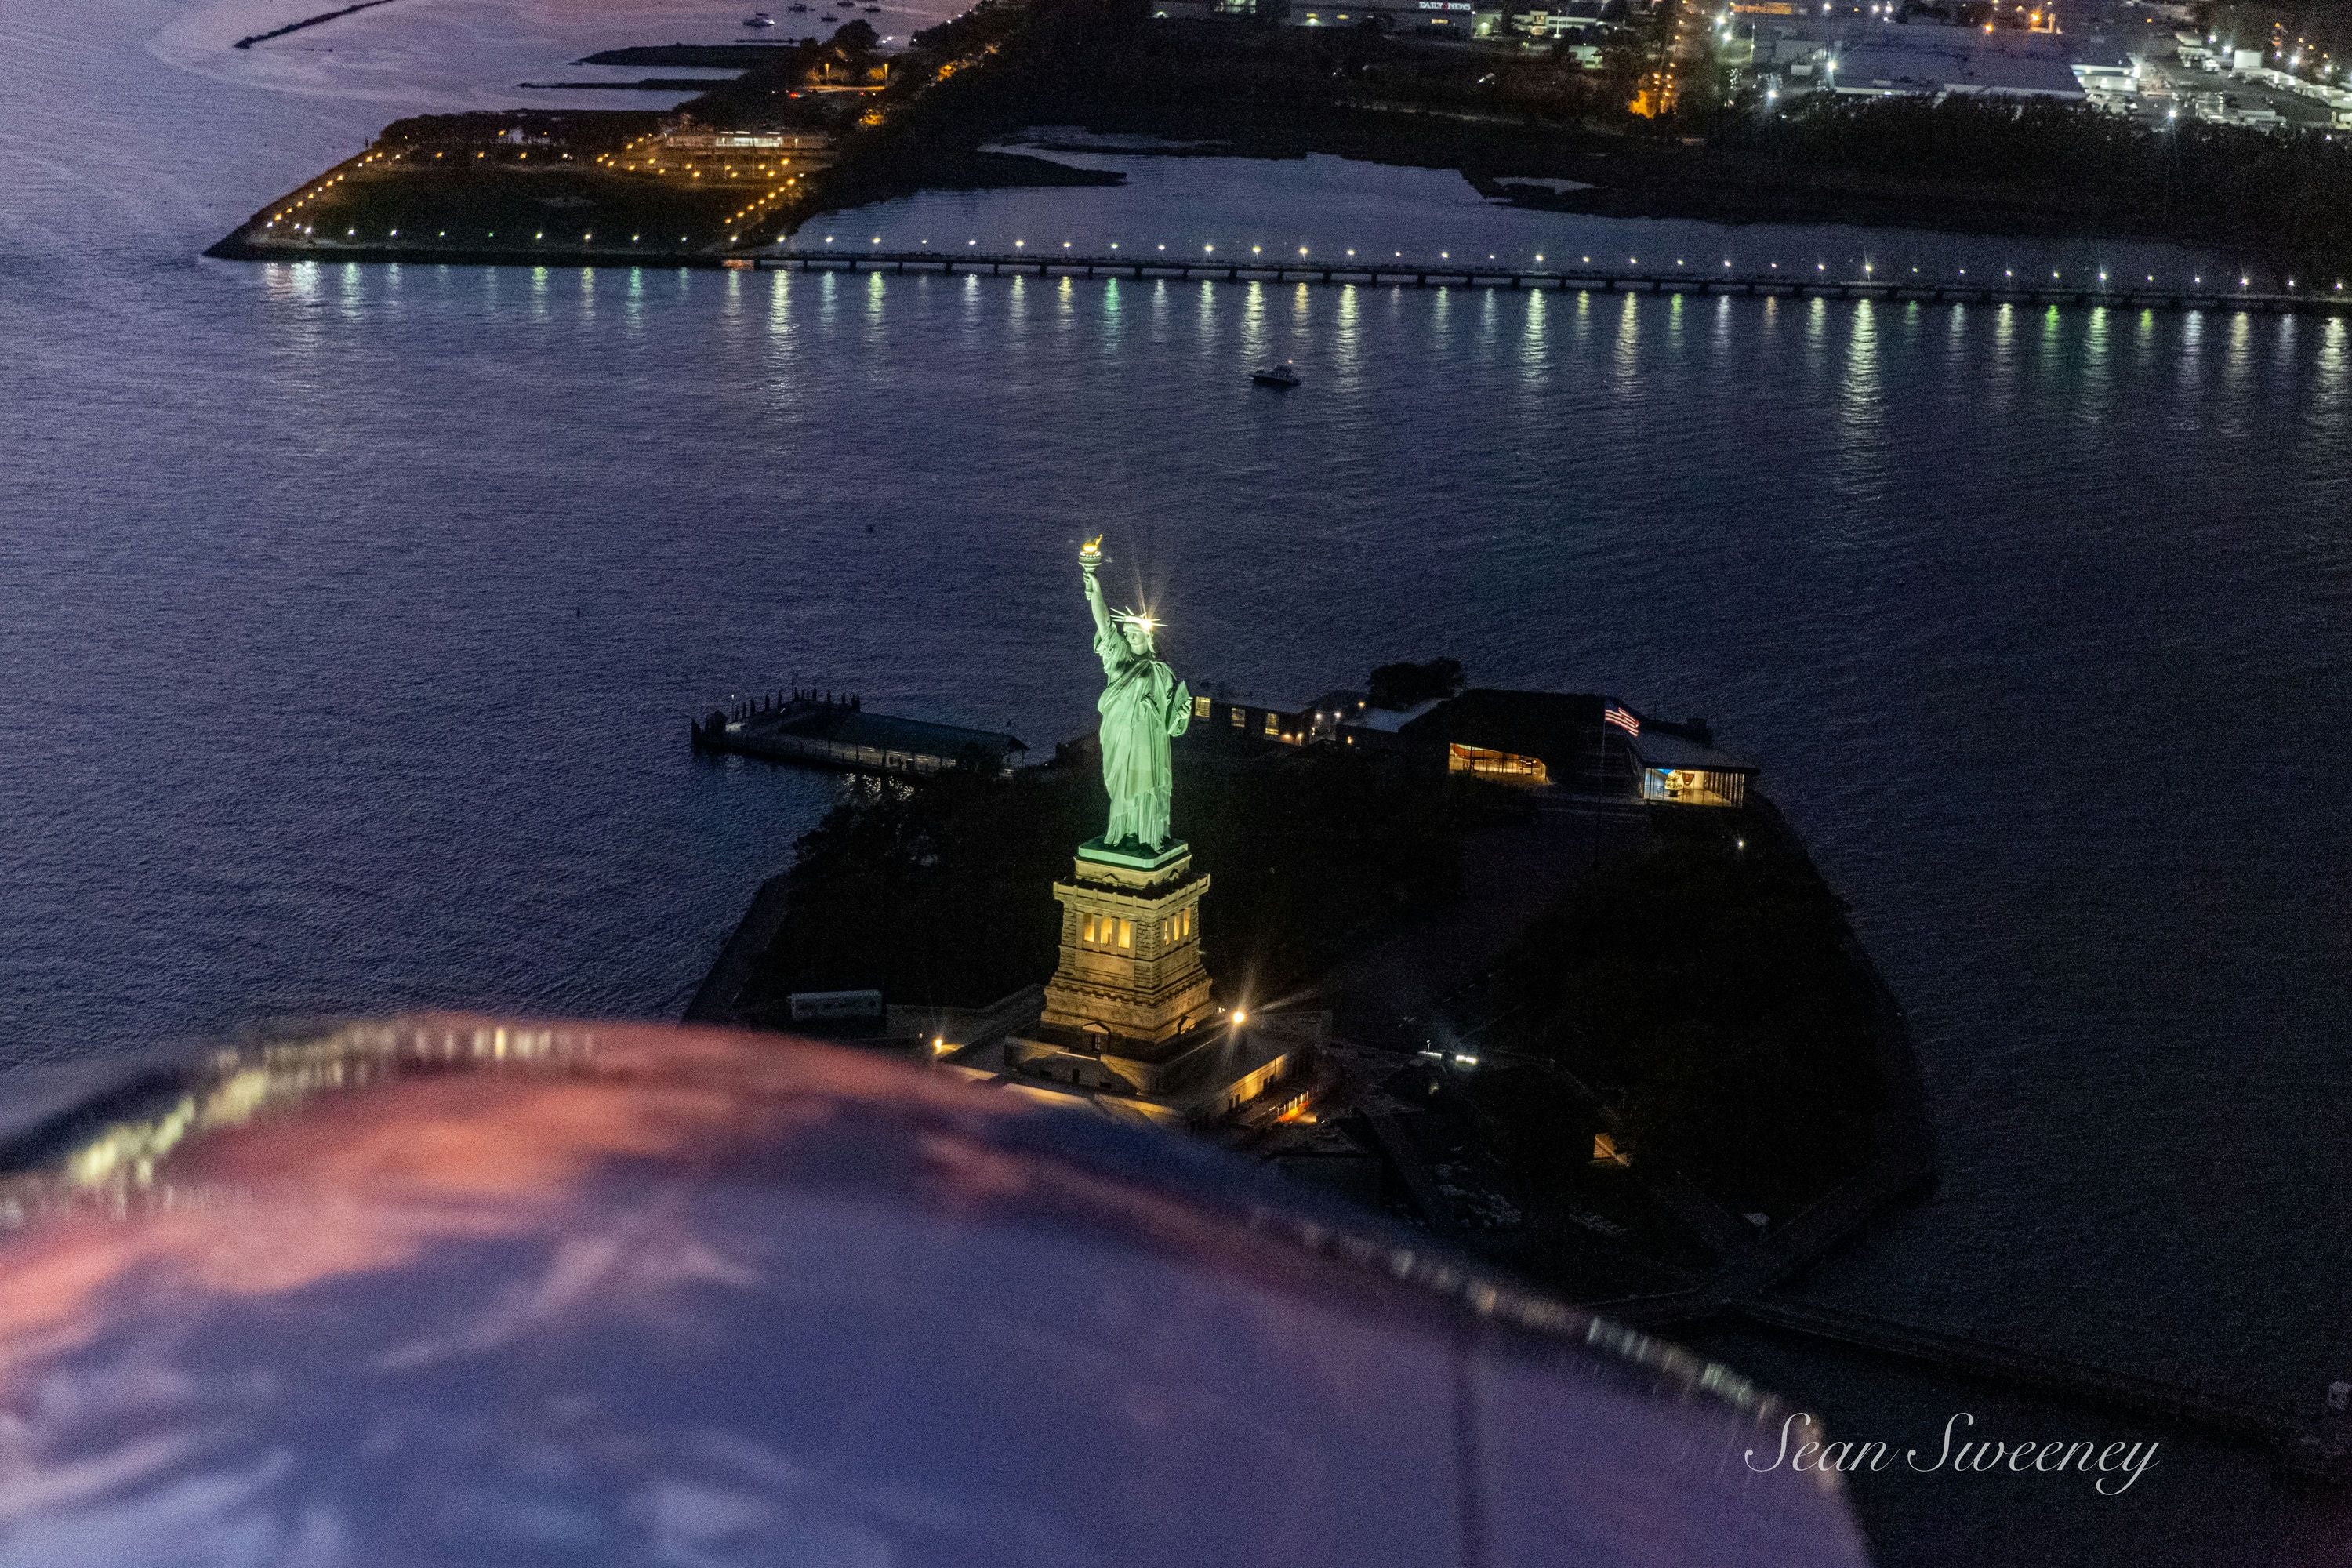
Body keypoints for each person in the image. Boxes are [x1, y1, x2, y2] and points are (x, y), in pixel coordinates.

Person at [1081, 542, 1189, 850]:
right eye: (1127, 634)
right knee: (1123, 787)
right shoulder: (1118, 659)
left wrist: (1181, 712)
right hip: (1121, 737)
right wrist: (1096, 588)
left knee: (1146, 786)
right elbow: (1104, 624)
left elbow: (1172, 722)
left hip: (1150, 741)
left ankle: (1147, 834)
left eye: (1135, 635)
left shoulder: (1161, 671)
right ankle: (1121, 831)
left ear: (1148, 637)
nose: (1129, 638)